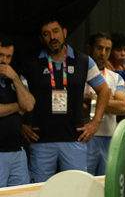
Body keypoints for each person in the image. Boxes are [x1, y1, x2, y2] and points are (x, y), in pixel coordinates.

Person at [21, 19, 111, 182]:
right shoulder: (31, 63)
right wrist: (21, 125)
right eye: (46, 34)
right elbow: (19, 96)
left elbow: (104, 90)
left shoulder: (83, 61)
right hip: (41, 141)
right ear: (41, 38)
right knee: (39, 191)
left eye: (55, 31)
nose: (52, 37)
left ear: (64, 32)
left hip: (74, 139)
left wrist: (96, 122)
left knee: (75, 189)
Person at [84, 33, 125, 176]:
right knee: (84, 182)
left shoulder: (115, 77)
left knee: (106, 183)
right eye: (99, 48)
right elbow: (76, 105)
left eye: (107, 49)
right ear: (90, 49)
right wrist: (109, 101)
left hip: (109, 138)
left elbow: (122, 107)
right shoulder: (79, 75)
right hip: (85, 137)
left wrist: (89, 100)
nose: (103, 53)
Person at [0, 34, 35, 187]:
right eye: (0, 55)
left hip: (17, 152)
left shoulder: (15, 77)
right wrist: (16, 106)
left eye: (8, 57)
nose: (4, 61)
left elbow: (28, 105)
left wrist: (15, 78)